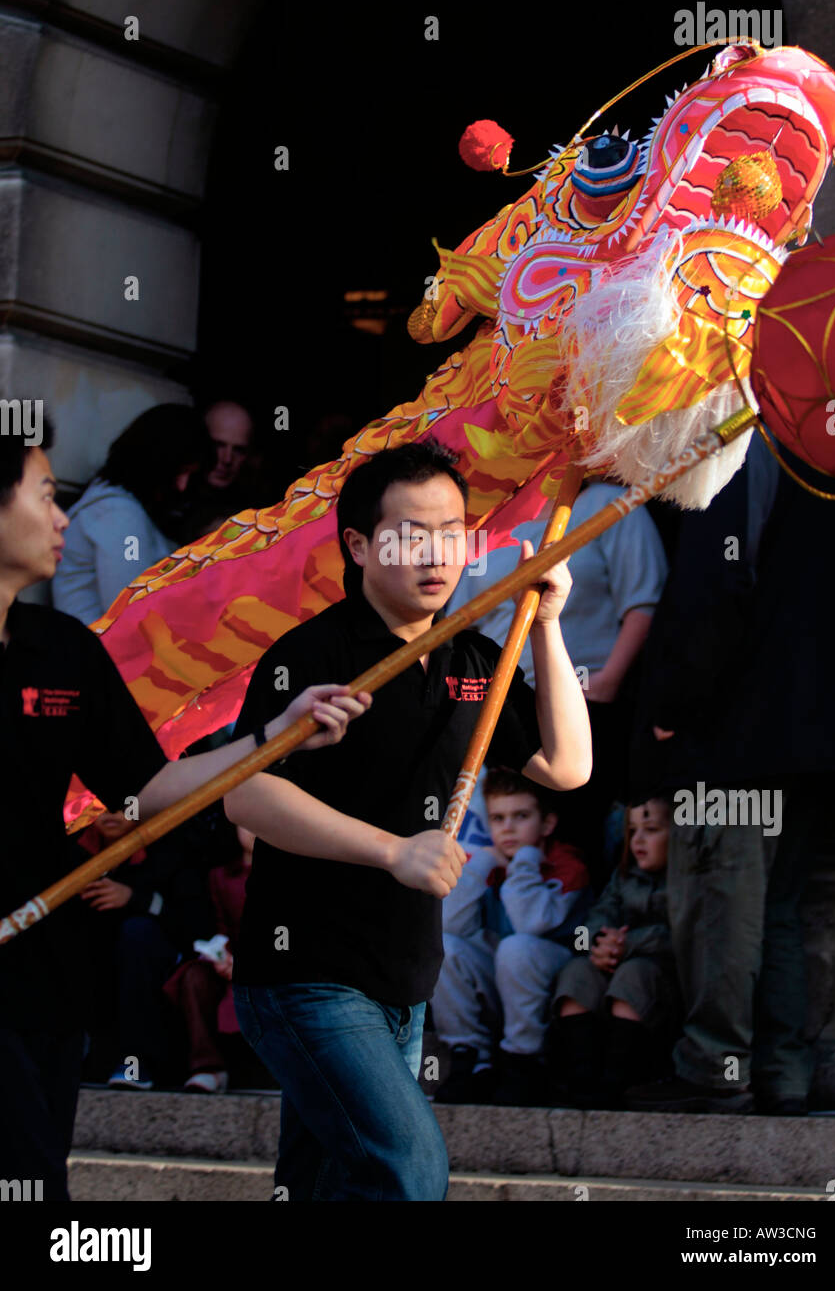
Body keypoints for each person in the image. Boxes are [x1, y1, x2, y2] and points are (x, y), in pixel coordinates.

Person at [0, 412, 370, 1199]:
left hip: (39, 964)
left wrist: (274, 735)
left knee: (32, 1174)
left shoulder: (62, 648)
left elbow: (147, 786)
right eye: (42, 495)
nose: (64, 517)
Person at [222, 440, 592, 1201]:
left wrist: (549, 623)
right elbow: (245, 794)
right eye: (410, 534)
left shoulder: (470, 655)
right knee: (409, 1167)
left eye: (453, 531)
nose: (438, 553)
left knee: (324, 1182)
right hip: (306, 975)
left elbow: (566, 766)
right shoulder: (313, 653)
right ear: (358, 545)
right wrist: (394, 851)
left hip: (406, 976)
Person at [627, 436, 835, 1115]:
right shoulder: (834, 457)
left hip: (739, 732)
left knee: (721, 905)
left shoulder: (740, 447)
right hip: (817, 735)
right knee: (778, 909)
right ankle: (782, 1072)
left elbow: (713, 587)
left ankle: (714, 1065)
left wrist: (675, 702)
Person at [448, 477, 666, 882]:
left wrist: (607, 681)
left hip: (585, 706)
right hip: (500, 712)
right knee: (494, 855)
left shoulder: (608, 503)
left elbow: (643, 601)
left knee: (577, 847)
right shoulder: (494, 518)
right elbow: (461, 625)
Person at [431, 766, 592, 1107]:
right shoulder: (491, 861)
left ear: (546, 824)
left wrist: (526, 860)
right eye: (498, 818)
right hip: (505, 982)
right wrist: (481, 864)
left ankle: (524, 1059)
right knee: (445, 945)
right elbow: (452, 924)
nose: (507, 828)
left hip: (555, 984)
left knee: (517, 948)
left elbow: (529, 924)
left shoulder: (566, 864)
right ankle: (471, 1056)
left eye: (521, 816)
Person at [546, 796, 678, 1108]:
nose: (638, 840)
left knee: (635, 975)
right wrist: (598, 942)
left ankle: (619, 1080)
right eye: (632, 832)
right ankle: (582, 1077)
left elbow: (680, 935)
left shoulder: (683, 882)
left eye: (652, 829)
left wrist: (626, 945)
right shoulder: (623, 877)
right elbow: (599, 914)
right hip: (615, 966)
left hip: (662, 987)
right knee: (577, 971)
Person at [51, 404, 210, 624]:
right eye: (179, 472)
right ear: (156, 463)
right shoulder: (120, 516)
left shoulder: (116, 507)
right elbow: (131, 614)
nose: (182, 486)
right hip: (98, 652)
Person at [162, 823, 255, 1094]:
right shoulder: (221, 876)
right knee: (194, 977)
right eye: (247, 822)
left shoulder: (291, 876)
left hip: (278, 961)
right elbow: (217, 927)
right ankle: (208, 1067)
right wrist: (223, 957)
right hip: (229, 963)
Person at [171, 399, 262, 545]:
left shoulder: (249, 518)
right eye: (218, 445)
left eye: (239, 450)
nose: (227, 459)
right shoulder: (167, 496)